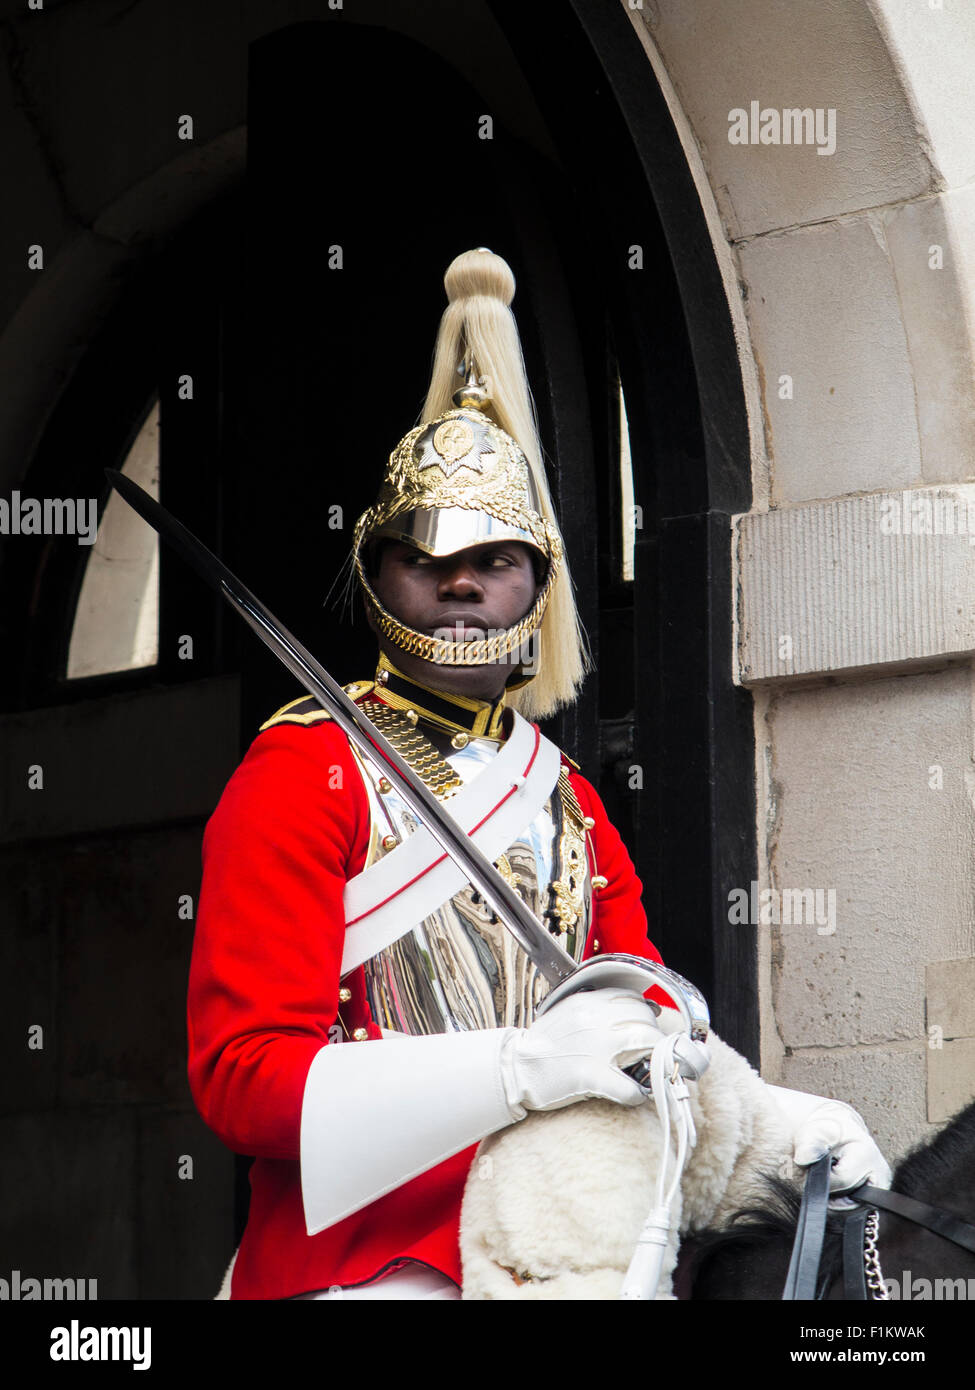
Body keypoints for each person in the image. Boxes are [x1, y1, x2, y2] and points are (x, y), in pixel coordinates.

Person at [187, 249, 889, 1302]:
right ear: (376, 572)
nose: (461, 577)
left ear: (535, 586)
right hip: (369, 1266)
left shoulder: (566, 795)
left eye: (496, 555)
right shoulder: (305, 771)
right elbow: (242, 1080)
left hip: (571, 1242)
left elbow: (656, 1029)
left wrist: (781, 1122)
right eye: (425, 554)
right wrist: (517, 1070)